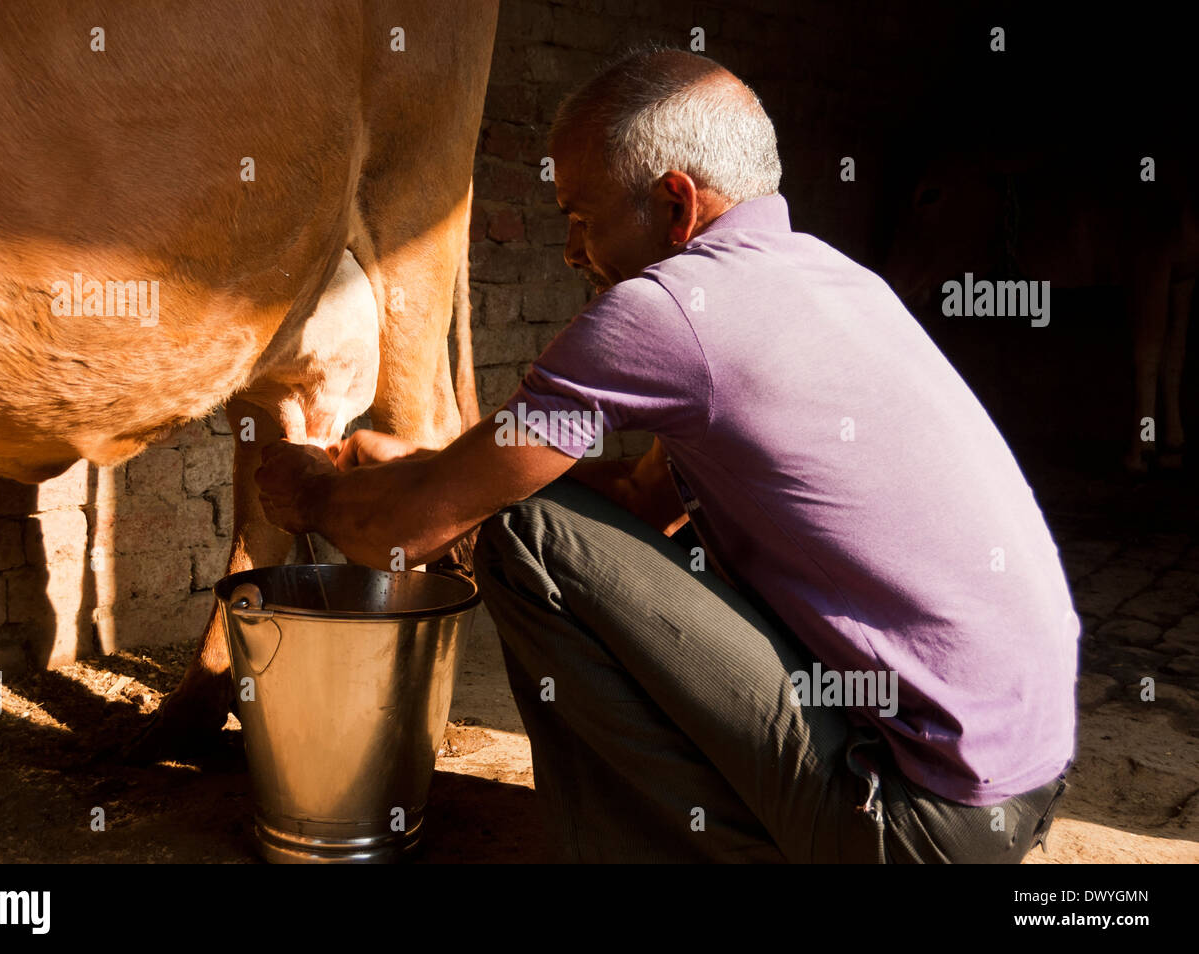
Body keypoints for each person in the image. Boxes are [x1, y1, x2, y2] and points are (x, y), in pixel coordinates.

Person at [255, 47, 1075, 863]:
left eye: (581, 216)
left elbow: (406, 533)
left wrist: (314, 493)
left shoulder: (663, 312)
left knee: (518, 538)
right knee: (541, 517)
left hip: (916, 826)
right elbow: (643, 501)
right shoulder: (834, 278)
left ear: (675, 204)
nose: (573, 251)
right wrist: (435, 463)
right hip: (1020, 788)